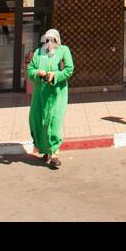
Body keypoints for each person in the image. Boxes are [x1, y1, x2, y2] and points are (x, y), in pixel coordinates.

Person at [27, 29, 73, 169]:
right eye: (47, 40)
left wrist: (55, 75)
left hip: (56, 94)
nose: (49, 43)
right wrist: (38, 73)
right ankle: (45, 149)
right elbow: (30, 70)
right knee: (39, 120)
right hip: (40, 94)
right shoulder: (38, 53)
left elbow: (69, 69)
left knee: (54, 121)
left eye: (52, 40)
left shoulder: (63, 51)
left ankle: (54, 153)